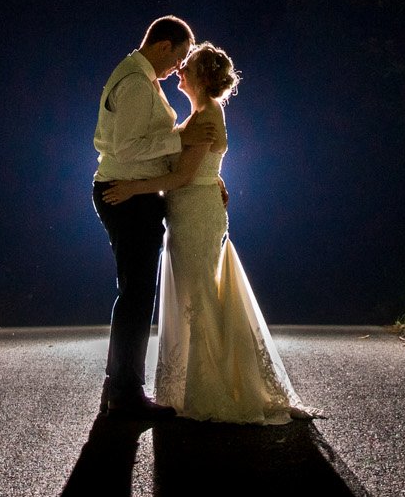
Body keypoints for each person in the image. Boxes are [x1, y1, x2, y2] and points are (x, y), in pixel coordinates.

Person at [101, 41, 309, 424]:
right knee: (197, 297)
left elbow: (182, 175)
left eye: (186, 66)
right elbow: (200, 165)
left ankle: (209, 389)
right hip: (191, 212)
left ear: (199, 76)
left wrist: (132, 188)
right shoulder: (201, 113)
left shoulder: (206, 115)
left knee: (199, 298)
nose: (179, 69)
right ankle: (194, 383)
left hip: (195, 216)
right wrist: (215, 179)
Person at [91, 15, 195, 419]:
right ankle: (126, 392)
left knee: (135, 291)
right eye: (180, 55)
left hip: (133, 192)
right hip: (126, 193)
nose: (179, 67)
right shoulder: (136, 82)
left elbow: (147, 145)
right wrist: (182, 138)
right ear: (163, 44)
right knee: (136, 293)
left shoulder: (143, 76)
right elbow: (131, 148)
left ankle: (119, 382)